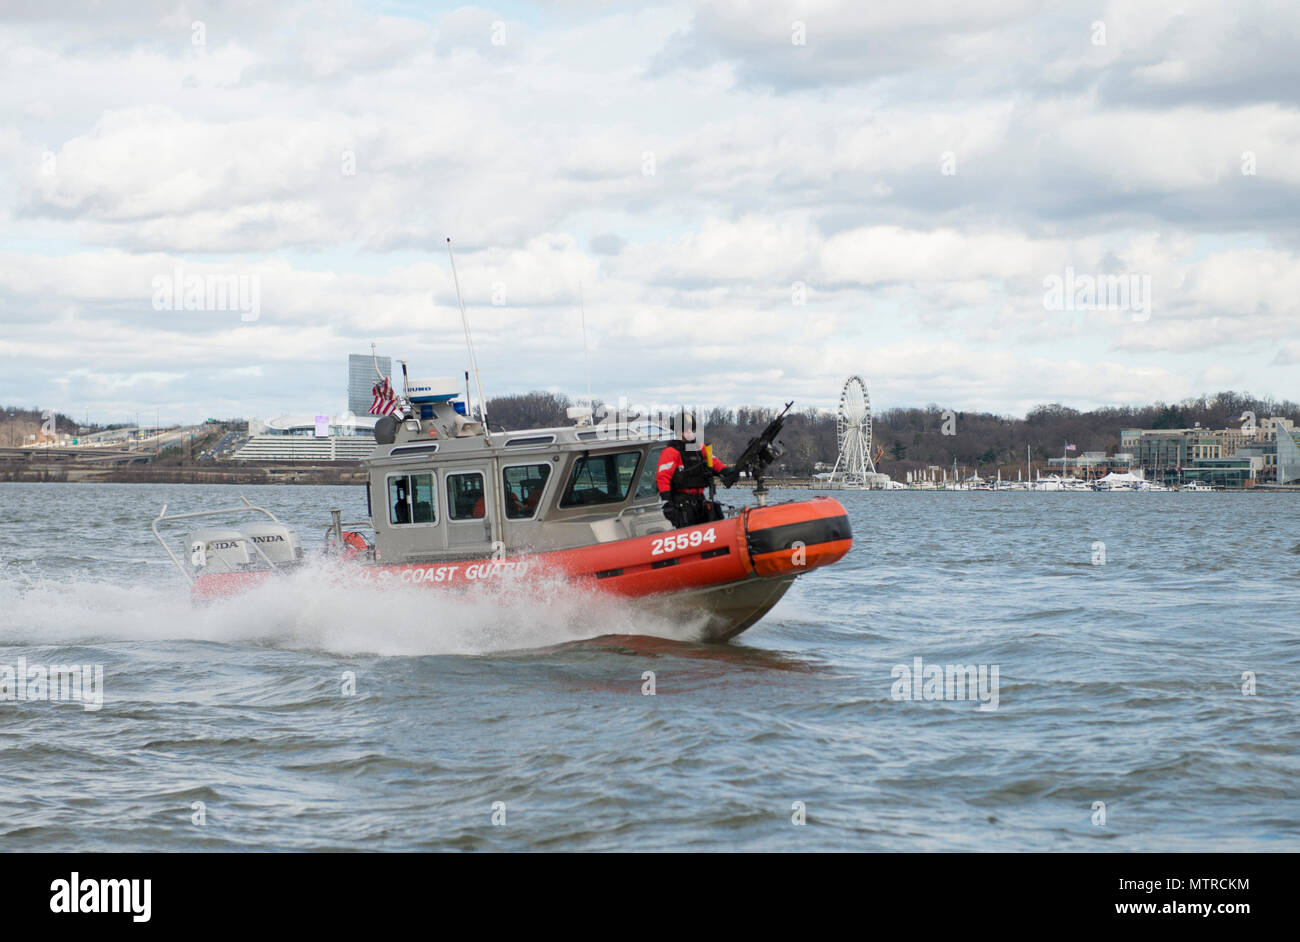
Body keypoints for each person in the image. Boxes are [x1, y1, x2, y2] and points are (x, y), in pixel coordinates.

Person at [657, 411, 740, 528]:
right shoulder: (671, 452)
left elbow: (713, 461)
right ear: (679, 432)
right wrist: (666, 502)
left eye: (692, 429)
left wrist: (726, 472)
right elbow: (663, 477)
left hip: (700, 500)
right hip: (682, 503)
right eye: (688, 429)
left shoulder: (698, 447)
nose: (691, 432)